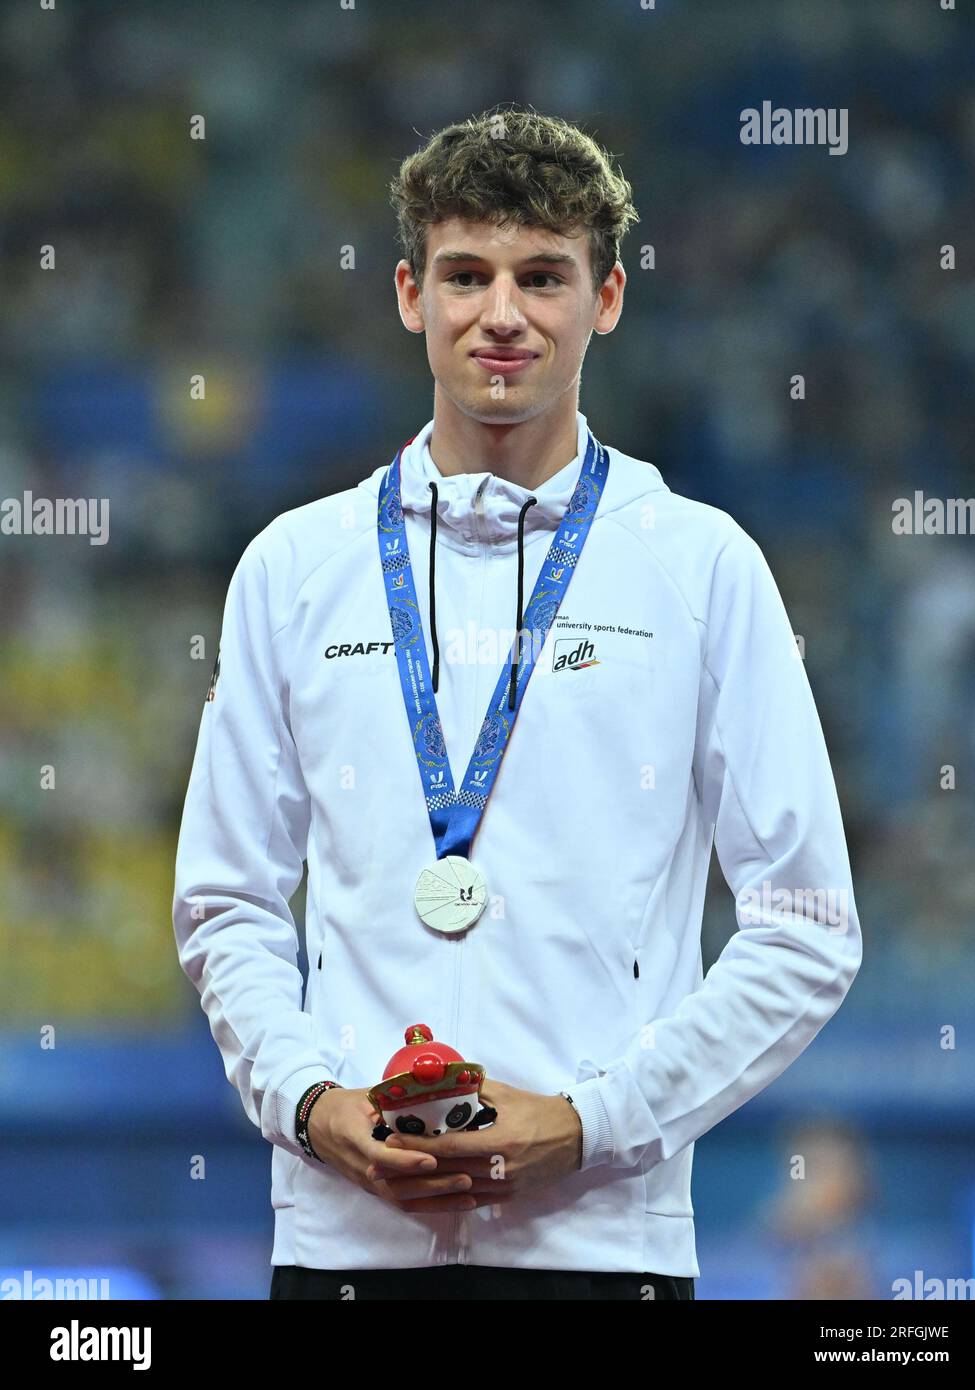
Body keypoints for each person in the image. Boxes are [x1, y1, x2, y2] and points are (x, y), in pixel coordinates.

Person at [171, 106, 862, 1302]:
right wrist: (308, 1104)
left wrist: (593, 1121)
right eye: (466, 274)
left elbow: (805, 924)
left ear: (606, 299)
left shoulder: (701, 568)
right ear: (407, 293)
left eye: (543, 276)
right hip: (344, 1246)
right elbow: (227, 899)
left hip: (601, 1246)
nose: (502, 314)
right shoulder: (293, 567)